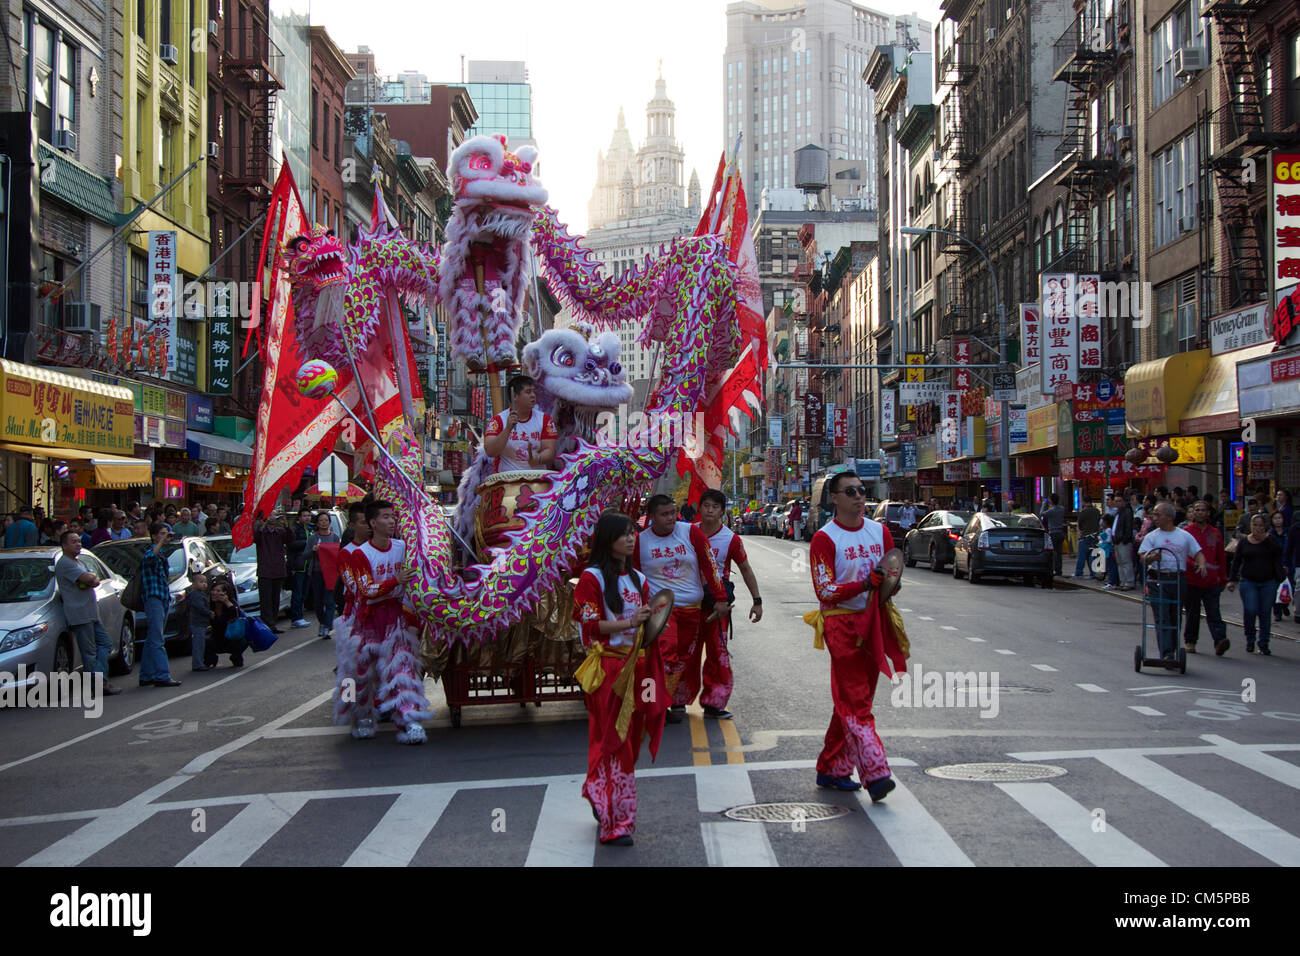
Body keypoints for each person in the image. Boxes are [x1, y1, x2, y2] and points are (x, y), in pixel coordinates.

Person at [804, 469, 906, 801]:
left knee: (854, 698)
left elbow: (892, 576)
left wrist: (888, 585)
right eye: (850, 492)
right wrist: (864, 584)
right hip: (840, 623)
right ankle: (876, 772)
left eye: (862, 490)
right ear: (834, 499)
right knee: (856, 699)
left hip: (873, 620)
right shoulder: (825, 538)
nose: (859, 496)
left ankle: (832, 767)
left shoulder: (880, 532)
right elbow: (825, 590)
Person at [571, 510, 669, 846]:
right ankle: (618, 821)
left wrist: (654, 625)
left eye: (632, 533)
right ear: (607, 539)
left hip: (639, 670)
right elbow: (589, 626)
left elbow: (647, 623)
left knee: (630, 741)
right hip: (610, 670)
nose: (631, 538)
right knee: (615, 744)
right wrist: (630, 623)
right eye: (623, 533)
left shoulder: (640, 580)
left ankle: (601, 793)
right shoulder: (591, 580)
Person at [338, 500, 431, 743]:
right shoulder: (356, 554)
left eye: (393, 517)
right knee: (356, 673)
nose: (392, 521)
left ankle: (410, 720)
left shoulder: (403, 546)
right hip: (363, 620)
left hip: (395, 618)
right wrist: (396, 581)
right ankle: (359, 716)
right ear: (371, 523)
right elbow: (365, 589)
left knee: (403, 671)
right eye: (386, 517)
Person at [633, 493, 729, 724]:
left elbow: (710, 566)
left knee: (683, 658)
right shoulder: (640, 541)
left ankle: (671, 701)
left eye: (672, 513)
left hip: (692, 608)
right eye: (664, 514)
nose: (670, 518)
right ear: (651, 516)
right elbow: (634, 577)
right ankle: (657, 703)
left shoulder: (690, 533)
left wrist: (720, 597)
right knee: (666, 653)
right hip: (661, 611)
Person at [682, 489, 763, 720]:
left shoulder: (731, 539)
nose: (709, 510)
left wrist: (757, 601)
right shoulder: (687, 533)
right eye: (706, 505)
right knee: (685, 652)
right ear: (700, 508)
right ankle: (678, 701)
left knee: (718, 653)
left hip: (718, 606)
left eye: (715, 507)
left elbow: (745, 568)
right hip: (688, 603)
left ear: (722, 511)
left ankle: (714, 702)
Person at [54, 530, 120, 696]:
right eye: (73, 541)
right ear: (64, 545)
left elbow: (94, 578)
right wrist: (91, 579)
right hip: (79, 614)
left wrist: (92, 579)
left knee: (105, 643)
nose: (78, 544)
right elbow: (90, 580)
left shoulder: (78, 562)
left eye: (79, 541)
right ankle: (98, 684)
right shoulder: (65, 564)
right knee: (89, 652)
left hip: (90, 611)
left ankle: (99, 678)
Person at [1139, 502, 1207, 664]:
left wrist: (1202, 564)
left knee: (1175, 616)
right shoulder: (1152, 536)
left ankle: (1173, 649)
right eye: (1153, 515)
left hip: (1177, 579)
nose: (1154, 518)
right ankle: (1167, 652)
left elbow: (1198, 552)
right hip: (1157, 579)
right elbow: (1142, 557)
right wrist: (1152, 557)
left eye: (1158, 515)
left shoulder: (1183, 535)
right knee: (1162, 617)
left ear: (1169, 517)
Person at [1228, 513, 1284, 656]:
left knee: (1265, 613)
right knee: (1251, 609)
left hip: (1268, 582)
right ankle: (1250, 638)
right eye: (1255, 525)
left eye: (1260, 525)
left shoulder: (1270, 541)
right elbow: (1237, 561)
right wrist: (1231, 580)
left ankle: (1263, 643)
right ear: (1250, 526)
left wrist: (1266, 539)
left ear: (1265, 526)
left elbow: (1278, 553)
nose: (1257, 528)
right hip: (1248, 581)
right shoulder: (1245, 542)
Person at [482, 374, 558, 474]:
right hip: (507, 480)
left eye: (533, 391)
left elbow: (550, 450)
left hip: (537, 480)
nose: (533, 395)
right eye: (528, 392)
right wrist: (508, 428)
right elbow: (490, 451)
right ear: (515, 396)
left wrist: (538, 459)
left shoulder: (545, 420)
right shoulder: (498, 420)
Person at [1182, 500, 1230, 656]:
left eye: (1203, 510)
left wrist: (1223, 578)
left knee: (1214, 612)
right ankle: (1190, 641)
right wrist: (1193, 564)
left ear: (1208, 513)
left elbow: (1221, 557)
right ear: (1193, 512)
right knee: (1192, 613)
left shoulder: (1215, 533)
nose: (1200, 512)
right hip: (1191, 580)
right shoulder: (1186, 532)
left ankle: (1220, 640)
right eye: (1197, 510)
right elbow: (1182, 554)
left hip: (1211, 581)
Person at [138, 522, 181, 687]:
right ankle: (162, 675)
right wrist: (161, 542)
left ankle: (146, 674)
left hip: (162, 597)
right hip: (153, 598)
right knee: (157, 639)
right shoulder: (150, 551)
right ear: (154, 536)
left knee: (152, 638)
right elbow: (149, 558)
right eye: (162, 533)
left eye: (167, 534)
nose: (166, 537)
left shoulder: (162, 553)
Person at [253, 513, 289, 633]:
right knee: (265, 600)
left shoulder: (280, 532)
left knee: (275, 599)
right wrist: (262, 526)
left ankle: (273, 623)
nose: (271, 519)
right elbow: (255, 538)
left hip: (278, 570)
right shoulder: (261, 532)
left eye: (273, 516)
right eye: (269, 516)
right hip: (265, 571)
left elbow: (290, 538)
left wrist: (286, 525)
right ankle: (267, 624)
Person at [307, 511, 340, 639]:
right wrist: (313, 550)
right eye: (321, 520)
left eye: (326, 520)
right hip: (316, 573)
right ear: (317, 523)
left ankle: (327, 626)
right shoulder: (313, 538)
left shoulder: (335, 537)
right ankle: (322, 623)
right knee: (318, 603)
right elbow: (305, 555)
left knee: (330, 601)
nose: (324, 522)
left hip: (331, 574)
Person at [204, 579, 249, 668]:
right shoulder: (210, 605)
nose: (214, 593)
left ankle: (236, 657)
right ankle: (211, 659)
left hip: (231, 637)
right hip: (217, 638)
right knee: (203, 641)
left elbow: (237, 616)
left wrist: (226, 602)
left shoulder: (231, 604)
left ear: (225, 593)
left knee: (242, 642)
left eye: (218, 591)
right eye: (213, 590)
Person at [286, 509, 312, 629]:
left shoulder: (310, 529)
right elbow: (291, 545)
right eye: (305, 516)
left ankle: (300, 616)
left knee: (303, 593)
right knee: (297, 593)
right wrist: (307, 542)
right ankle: (296, 618)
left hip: (308, 565)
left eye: (309, 516)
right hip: (298, 566)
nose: (307, 518)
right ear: (299, 517)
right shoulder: (294, 530)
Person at [188, 572, 213, 671]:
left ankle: (199, 662)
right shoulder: (195, 595)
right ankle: (197, 664)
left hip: (201, 623)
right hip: (197, 623)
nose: (204, 584)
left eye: (205, 582)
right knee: (198, 644)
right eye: (201, 582)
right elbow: (200, 608)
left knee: (201, 643)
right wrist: (209, 613)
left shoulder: (200, 594)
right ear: (193, 584)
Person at [1269, 510, 1290, 624]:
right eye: (1275, 518)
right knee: (1275, 589)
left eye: (1280, 518)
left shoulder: (1288, 533)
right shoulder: (1270, 534)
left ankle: (1284, 605)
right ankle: (1277, 612)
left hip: (1287, 563)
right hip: (1274, 566)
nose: (1278, 521)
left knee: (1288, 587)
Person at [1074, 495, 1101, 578]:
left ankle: (1078, 573)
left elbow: (1080, 524)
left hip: (1085, 536)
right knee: (1092, 555)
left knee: (1081, 556)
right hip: (1095, 536)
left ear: (1084, 502)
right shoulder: (1097, 511)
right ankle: (1093, 573)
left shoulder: (1083, 512)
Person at [1042, 493, 1066, 577]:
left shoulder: (1051, 511)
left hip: (1053, 533)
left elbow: (1042, 513)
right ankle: (1059, 570)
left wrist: (1044, 505)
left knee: (1053, 553)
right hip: (1060, 532)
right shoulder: (1061, 509)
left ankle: (1053, 569)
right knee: (1059, 553)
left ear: (1051, 500)